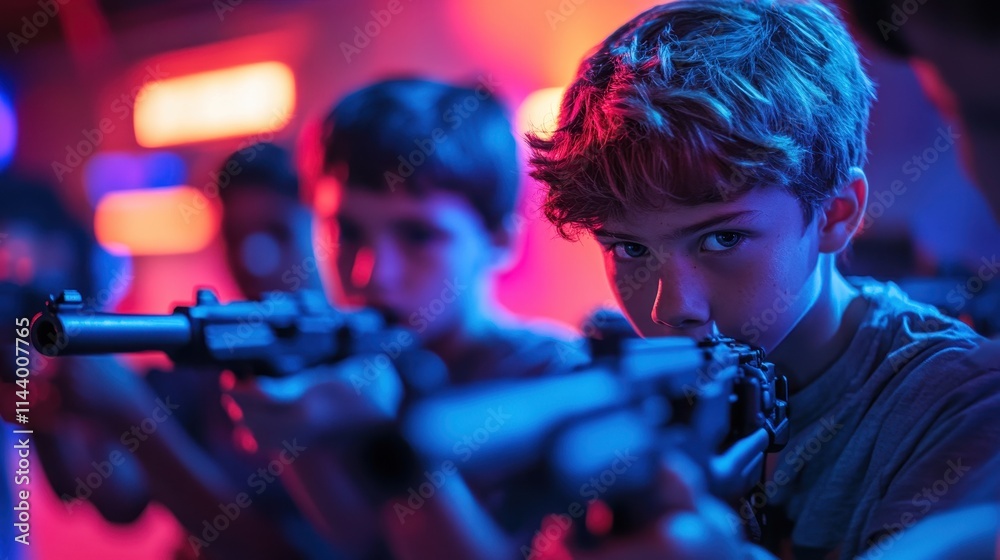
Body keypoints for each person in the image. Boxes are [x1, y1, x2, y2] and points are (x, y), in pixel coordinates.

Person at [520, 1, 1000, 558]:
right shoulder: (634, 402)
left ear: (836, 214)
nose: (672, 308)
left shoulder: (959, 402)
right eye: (630, 249)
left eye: (722, 239)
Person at [228, 77, 588, 559]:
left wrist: (390, 435)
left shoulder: (557, 376)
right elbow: (367, 547)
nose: (372, 272)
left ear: (501, 240)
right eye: (348, 232)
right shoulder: (358, 372)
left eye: (417, 235)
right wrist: (294, 440)